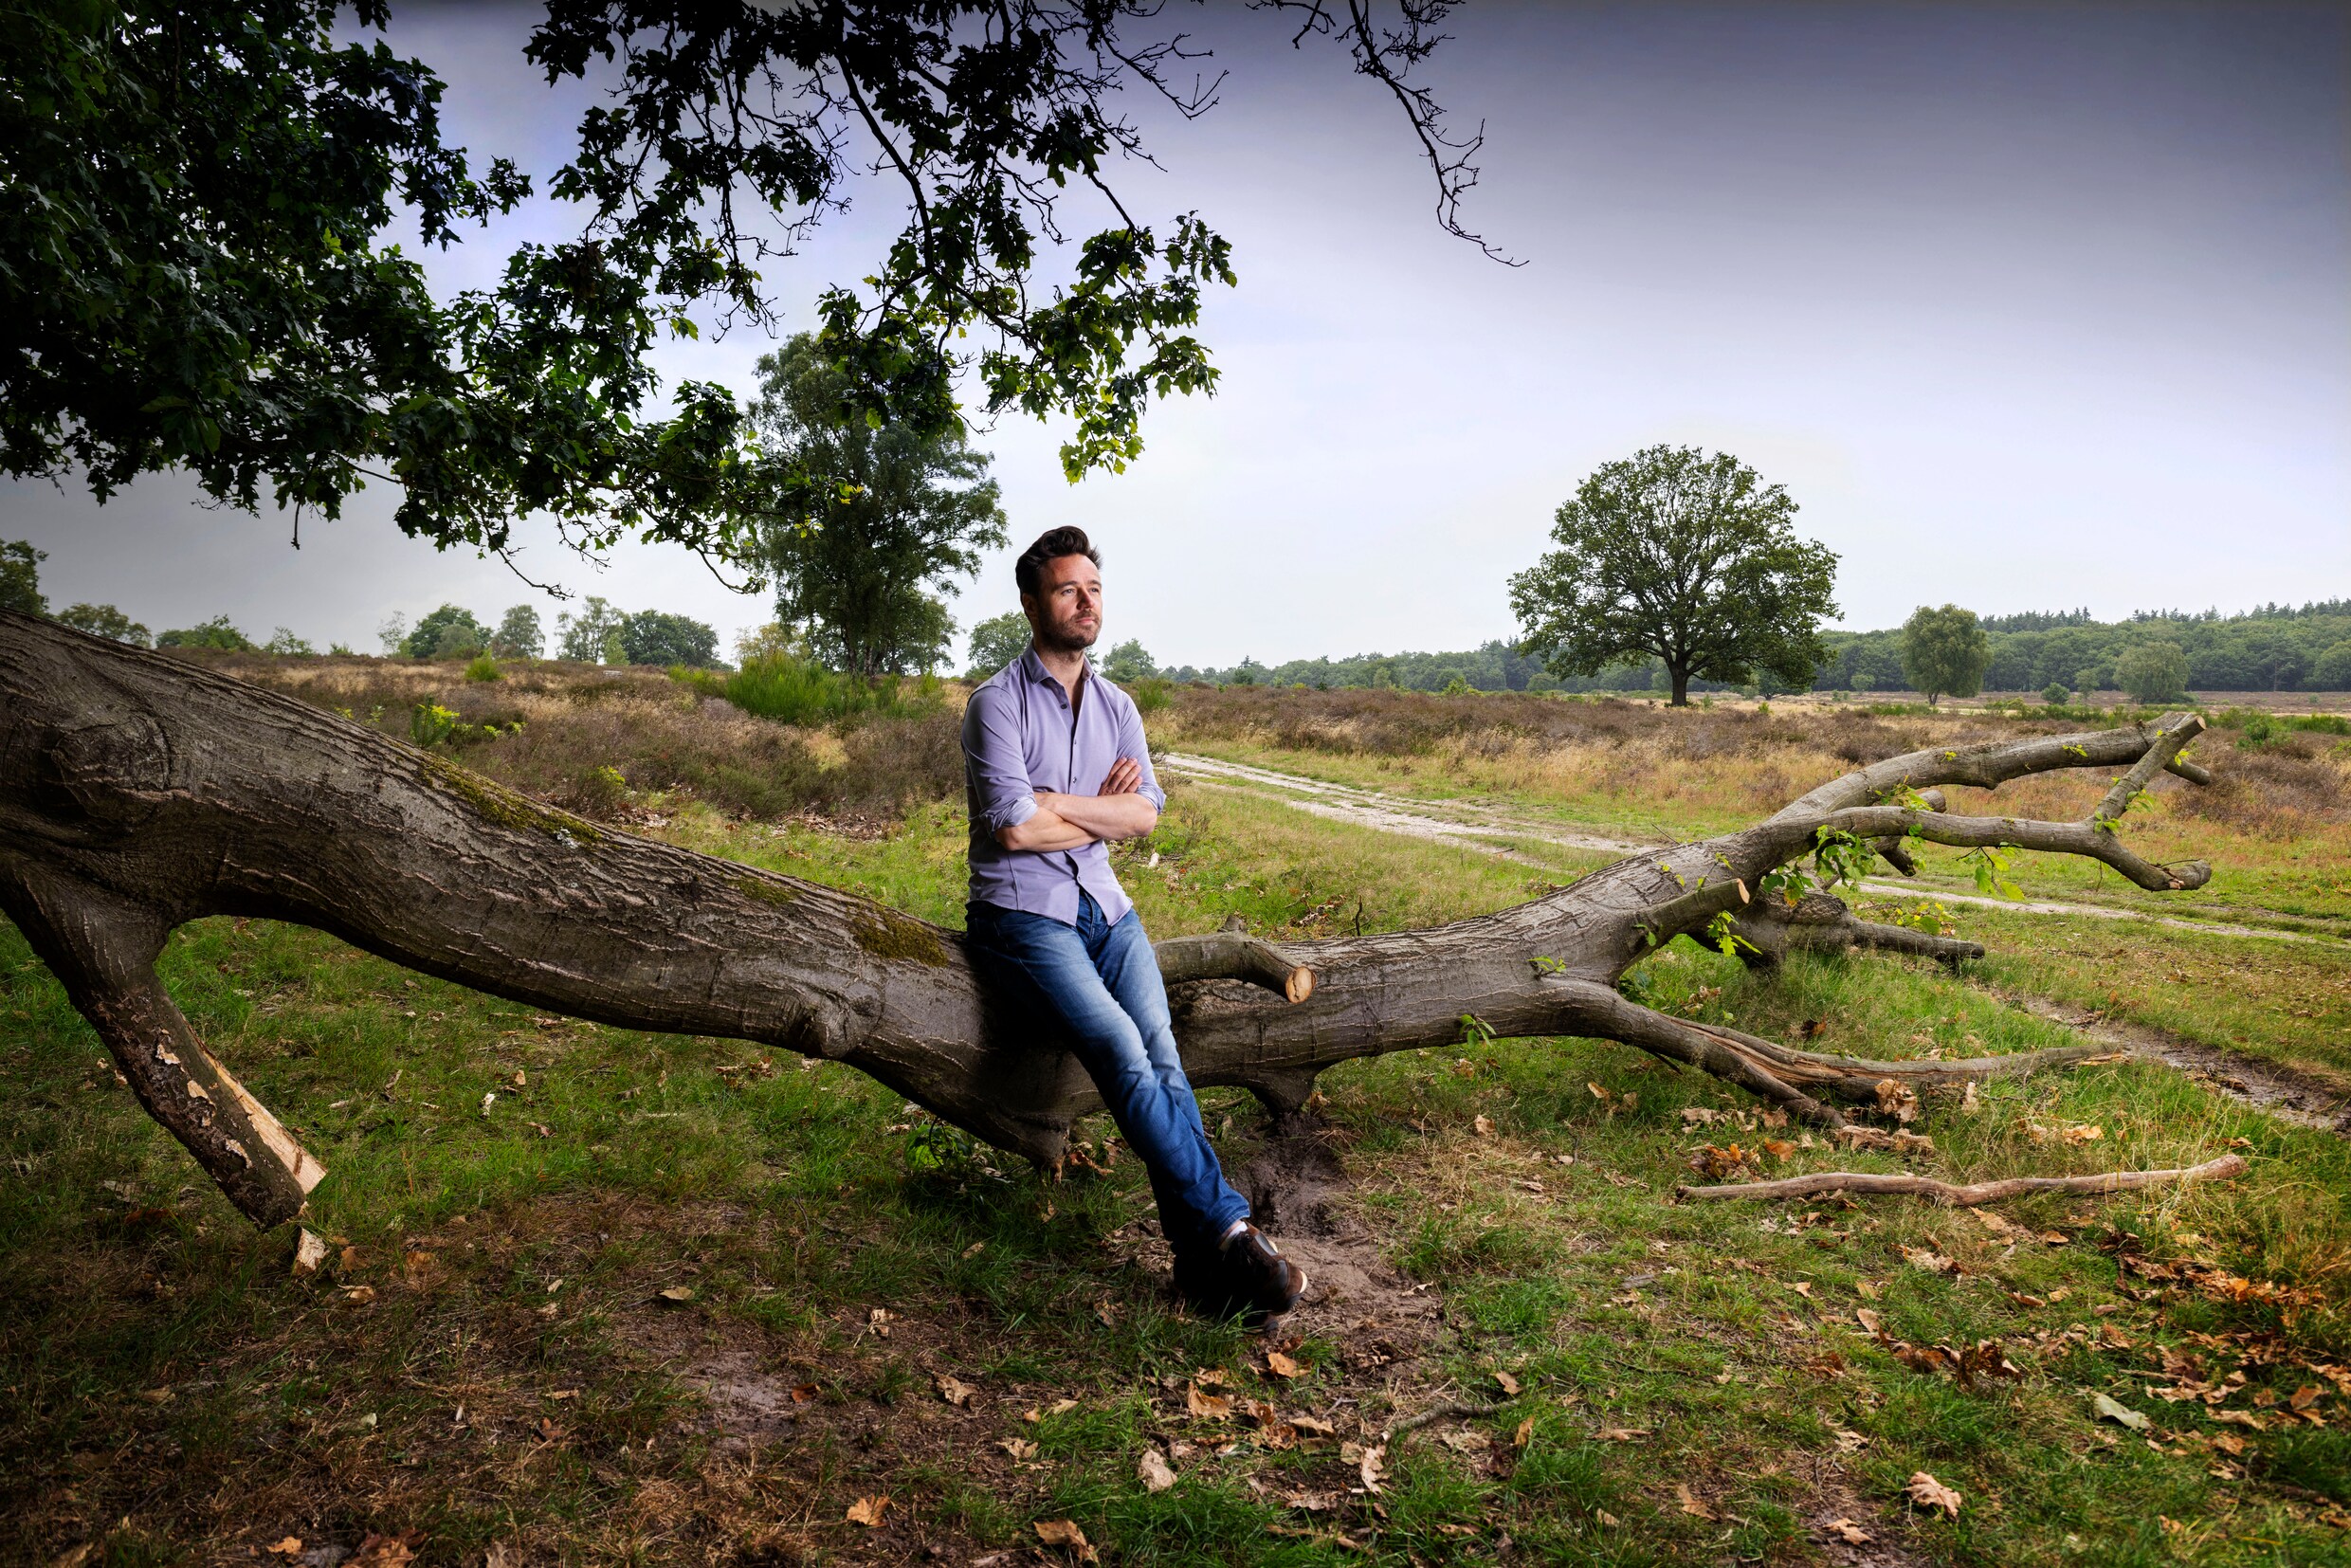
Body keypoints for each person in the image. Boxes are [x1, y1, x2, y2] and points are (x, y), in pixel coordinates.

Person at [959, 526, 1306, 1320]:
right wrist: (1095, 813)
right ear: (1030, 604)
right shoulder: (994, 706)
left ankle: (1204, 1270)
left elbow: (1146, 814)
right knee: (1121, 1048)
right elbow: (1013, 831)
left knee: (1163, 1060)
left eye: (1095, 589)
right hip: (1022, 913)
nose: (1086, 603)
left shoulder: (1117, 705)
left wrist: (1061, 805)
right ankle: (1229, 1227)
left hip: (1106, 909)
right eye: (1066, 590)